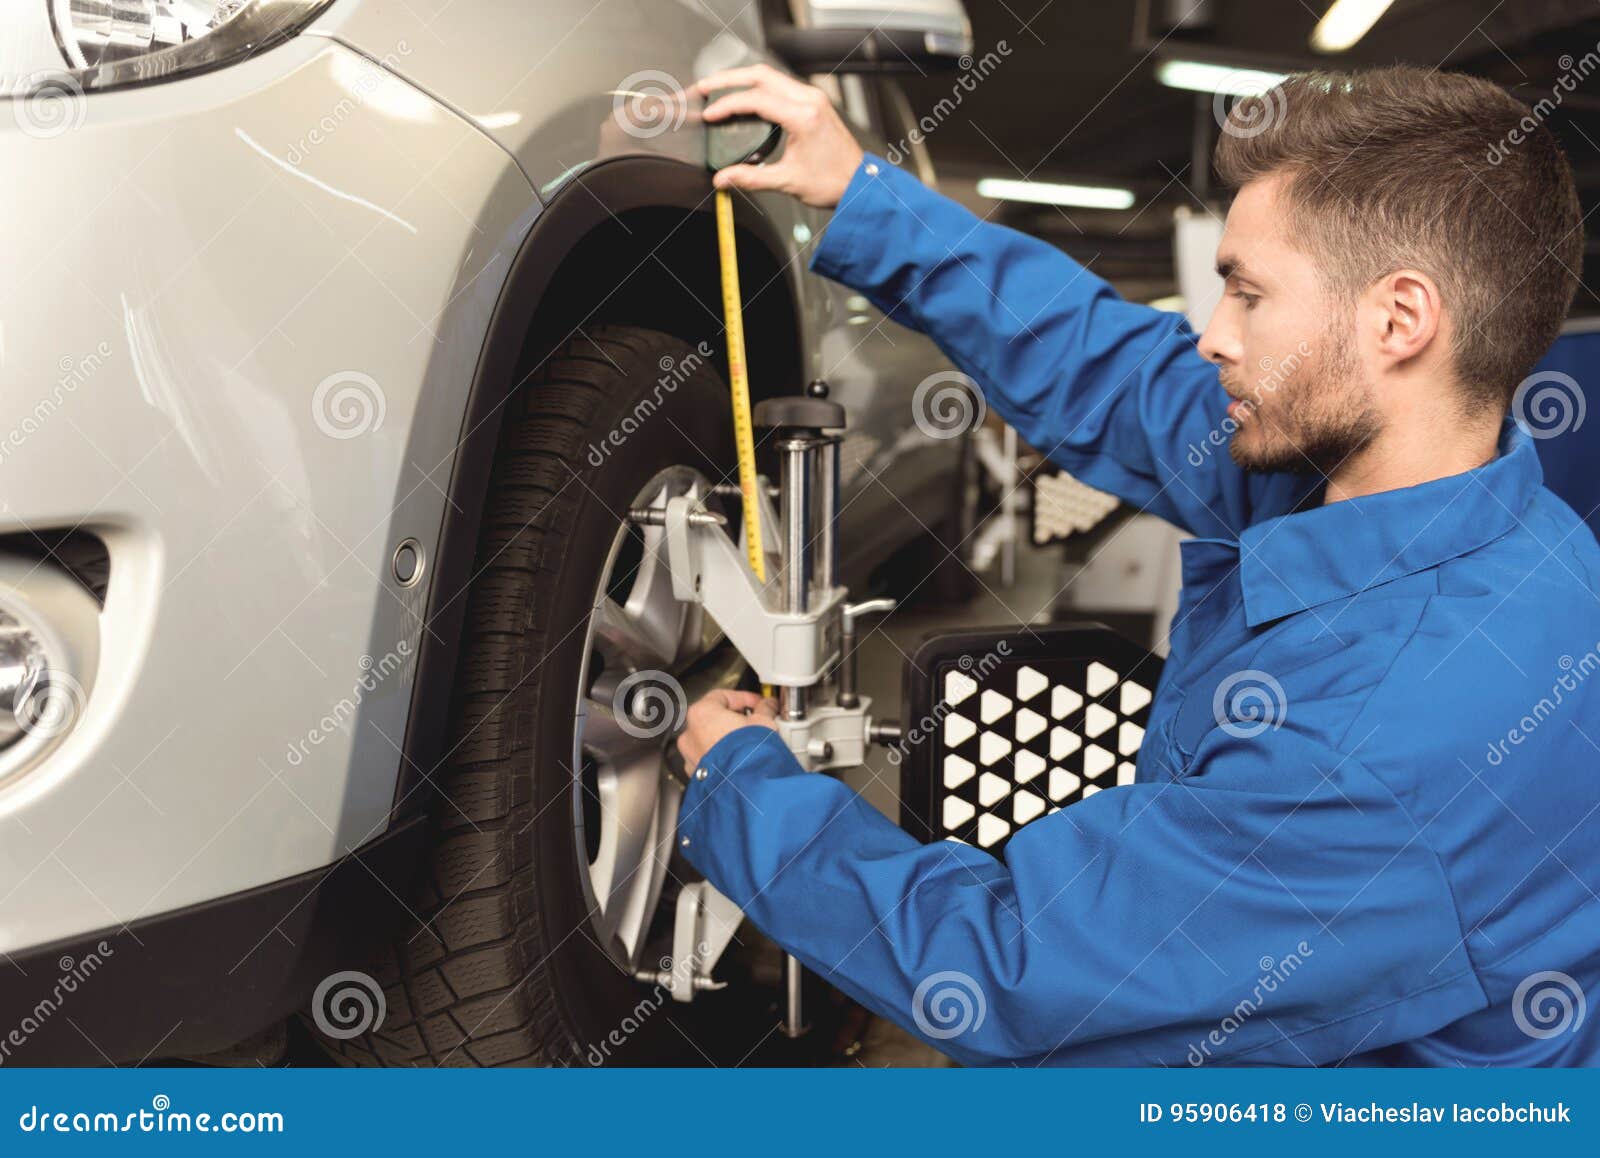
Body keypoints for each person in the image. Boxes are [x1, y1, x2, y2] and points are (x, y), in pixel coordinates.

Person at [672, 63, 1600, 1066]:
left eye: (1247, 294)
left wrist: (743, 790)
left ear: (1398, 319)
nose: (1212, 336)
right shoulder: (1444, 500)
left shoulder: (1379, 754)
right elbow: (1108, 368)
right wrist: (863, 191)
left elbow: (1009, 972)